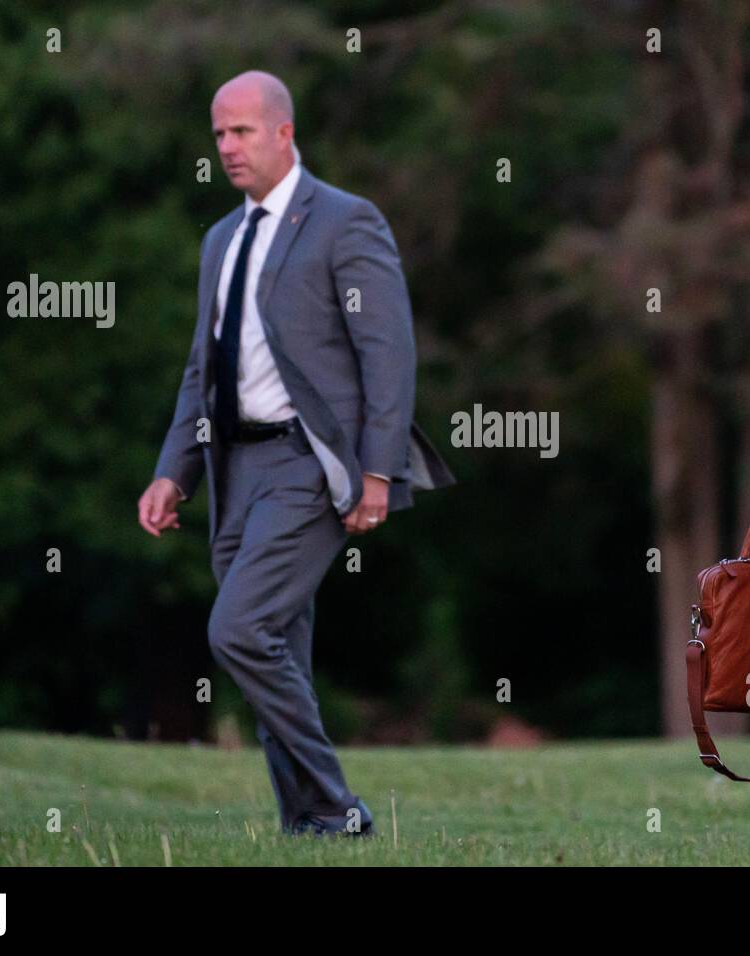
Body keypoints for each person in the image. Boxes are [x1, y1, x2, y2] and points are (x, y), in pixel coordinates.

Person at [137, 70, 453, 837]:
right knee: (276, 649)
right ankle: (308, 820)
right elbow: (199, 371)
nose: (227, 148)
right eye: (217, 134)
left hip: (312, 467)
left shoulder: (346, 222)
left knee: (237, 631)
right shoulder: (221, 239)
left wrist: (376, 471)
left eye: (241, 132)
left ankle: (340, 804)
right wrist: (171, 471)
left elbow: (389, 354)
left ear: (284, 132)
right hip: (232, 472)